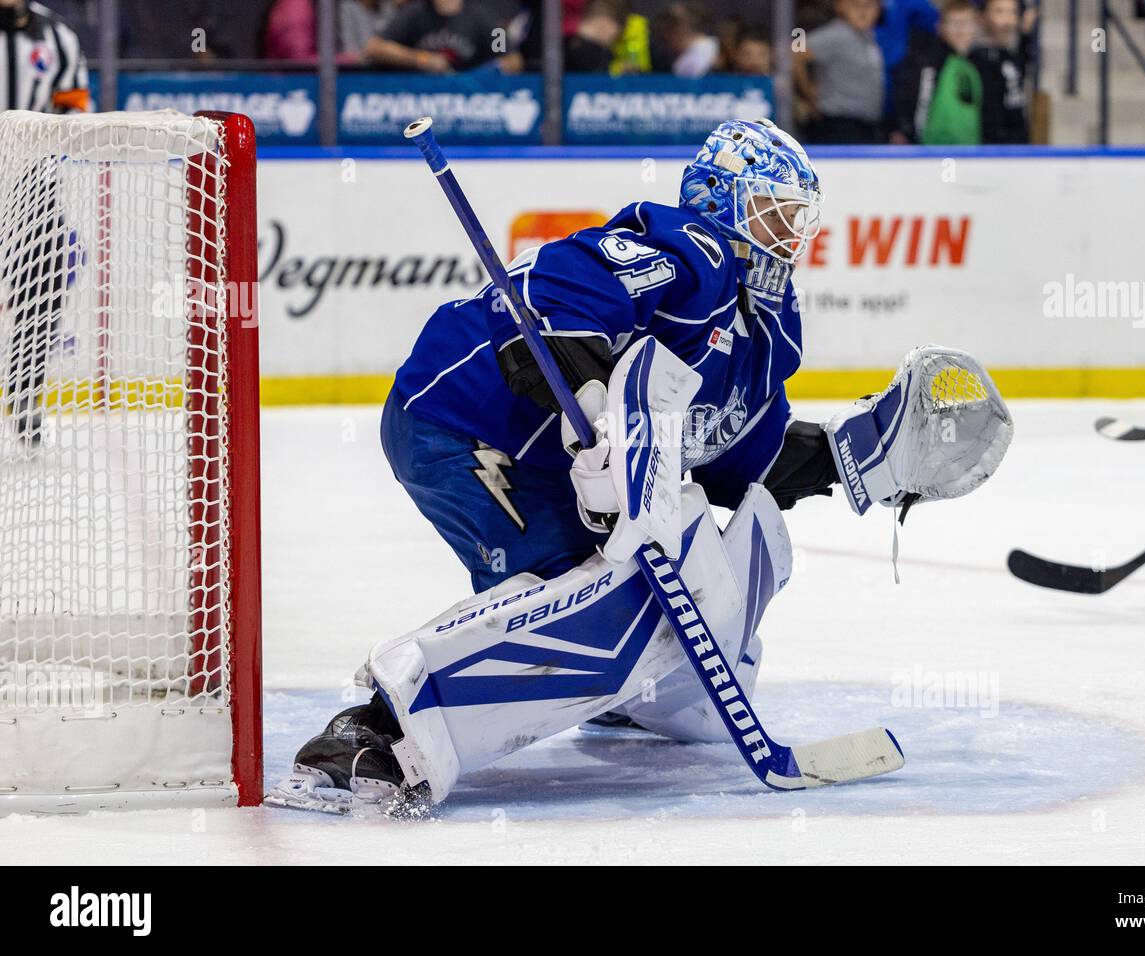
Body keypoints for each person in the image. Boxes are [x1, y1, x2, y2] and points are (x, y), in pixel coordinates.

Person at [265, 118, 1012, 811]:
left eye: (800, 217)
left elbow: (739, 459)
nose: (792, 235)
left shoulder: (766, 330)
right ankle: (377, 730)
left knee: (636, 597)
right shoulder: (696, 252)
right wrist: (584, 380)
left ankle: (635, 693)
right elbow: (559, 291)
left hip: (542, 461)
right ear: (723, 201)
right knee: (588, 601)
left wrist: (858, 456)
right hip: (465, 423)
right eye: (775, 211)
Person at [0, 0, 89, 449]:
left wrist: (42, 139)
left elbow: (73, 105)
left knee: (45, 281)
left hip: (33, 184)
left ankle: (25, 390)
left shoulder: (58, 36)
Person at [795, 0, 888, 143]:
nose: (863, 12)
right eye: (856, 5)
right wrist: (808, 94)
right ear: (841, 7)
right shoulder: (836, 34)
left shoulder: (868, 35)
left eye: (869, 6)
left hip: (866, 123)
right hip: (841, 123)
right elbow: (795, 53)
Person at [893, 0, 981, 145]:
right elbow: (919, 104)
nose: (961, 31)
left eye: (967, 23)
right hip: (932, 153)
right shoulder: (928, 61)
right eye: (955, 24)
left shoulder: (974, 64)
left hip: (969, 153)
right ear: (940, 27)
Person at [363, 0, 511, 72]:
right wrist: (423, 59)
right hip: (424, 97)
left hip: (470, 101)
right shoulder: (414, 13)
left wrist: (484, 74)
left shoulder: (482, 16)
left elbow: (511, 58)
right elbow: (374, 48)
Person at [970, 0, 1036, 144]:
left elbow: (1021, 69)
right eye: (999, 12)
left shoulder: (1009, 56)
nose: (1007, 20)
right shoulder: (976, 59)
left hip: (1018, 143)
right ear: (982, 16)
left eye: (1012, 12)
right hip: (990, 146)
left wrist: (1025, 35)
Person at [565, 0, 626, 73]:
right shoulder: (599, 55)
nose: (618, 35)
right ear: (604, 22)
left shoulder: (556, 45)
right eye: (619, 25)